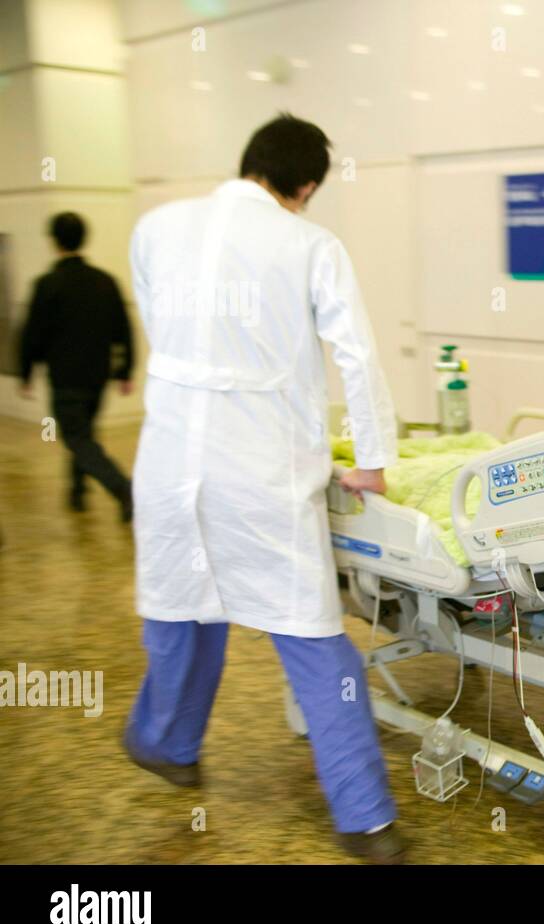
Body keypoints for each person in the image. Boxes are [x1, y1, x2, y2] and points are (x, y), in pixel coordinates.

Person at [123, 114, 405, 863]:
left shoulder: (156, 227)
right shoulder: (311, 245)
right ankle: (366, 819)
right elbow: (357, 357)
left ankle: (163, 742)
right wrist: (371, 462)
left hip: (170, 461)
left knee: (183, 617)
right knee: (315, 643)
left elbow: (166, 333)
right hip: (261, 472)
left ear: (248, 163)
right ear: (305, 186)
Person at [19, 212, 134, 519]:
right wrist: (125, 370)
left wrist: (26, 372)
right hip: (97, 377)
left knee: (78, 438)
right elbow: (123, 328)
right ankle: (77, 491)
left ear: (54, 241)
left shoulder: (48, 284)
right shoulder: (105, 282)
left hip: (66, 378)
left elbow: (32, 333)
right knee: (84, 432)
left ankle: (124, 489)